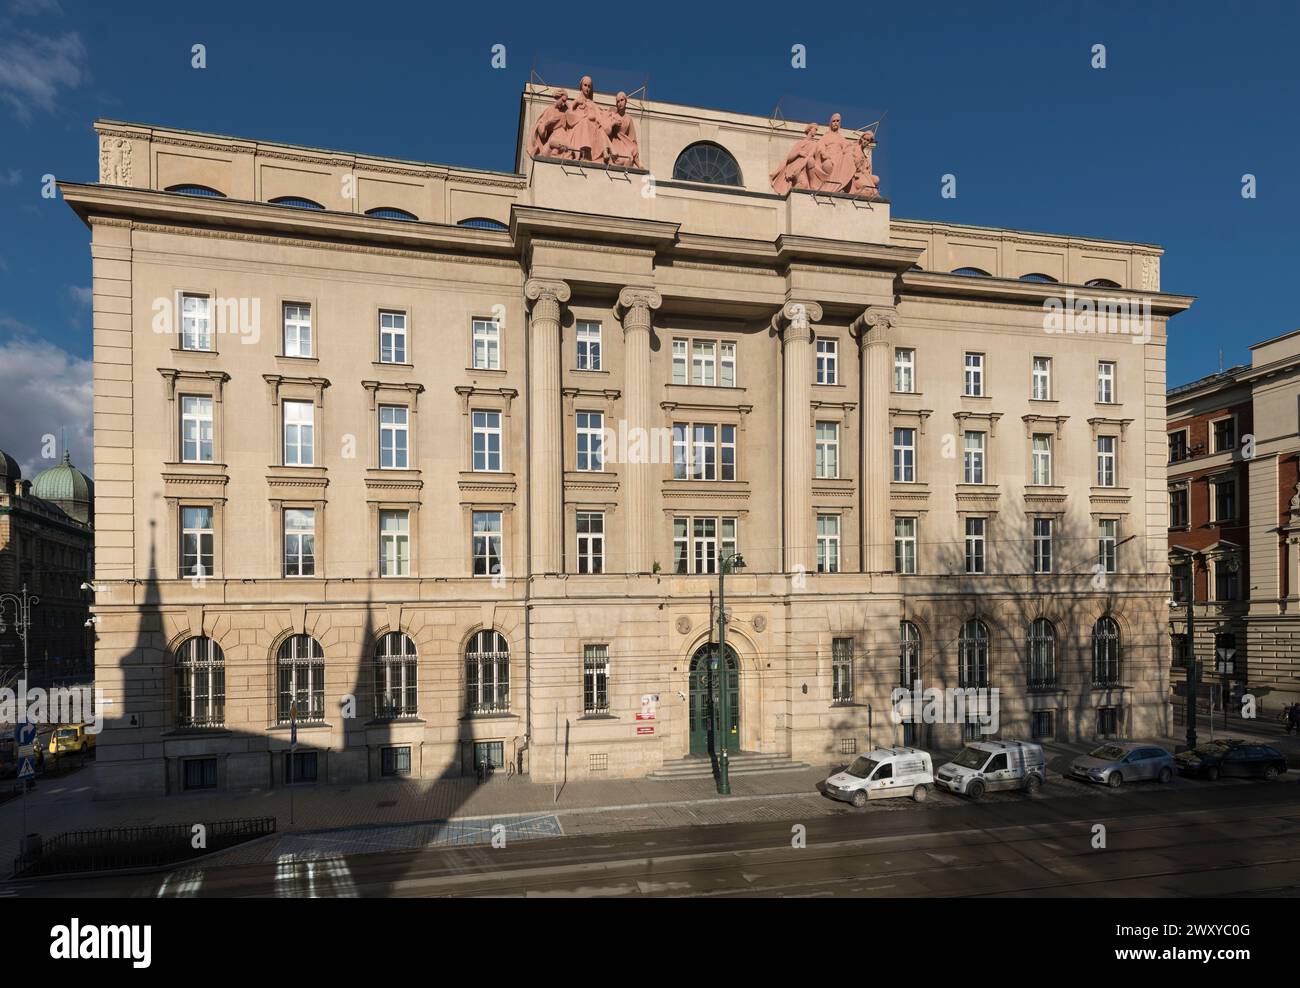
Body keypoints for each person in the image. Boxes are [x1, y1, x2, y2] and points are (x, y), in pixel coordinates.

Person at [770, 122, 819, 195]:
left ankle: (793, 195)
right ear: (810, 129)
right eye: (815, 129)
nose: (816, 131)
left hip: (803, 169)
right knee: (803, 184)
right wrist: (798, 153)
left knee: (804, 184)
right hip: (794, 168)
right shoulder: (800, 143)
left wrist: (800, 167)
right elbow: (789, 158)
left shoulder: (815, 144)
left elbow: (809, 156)